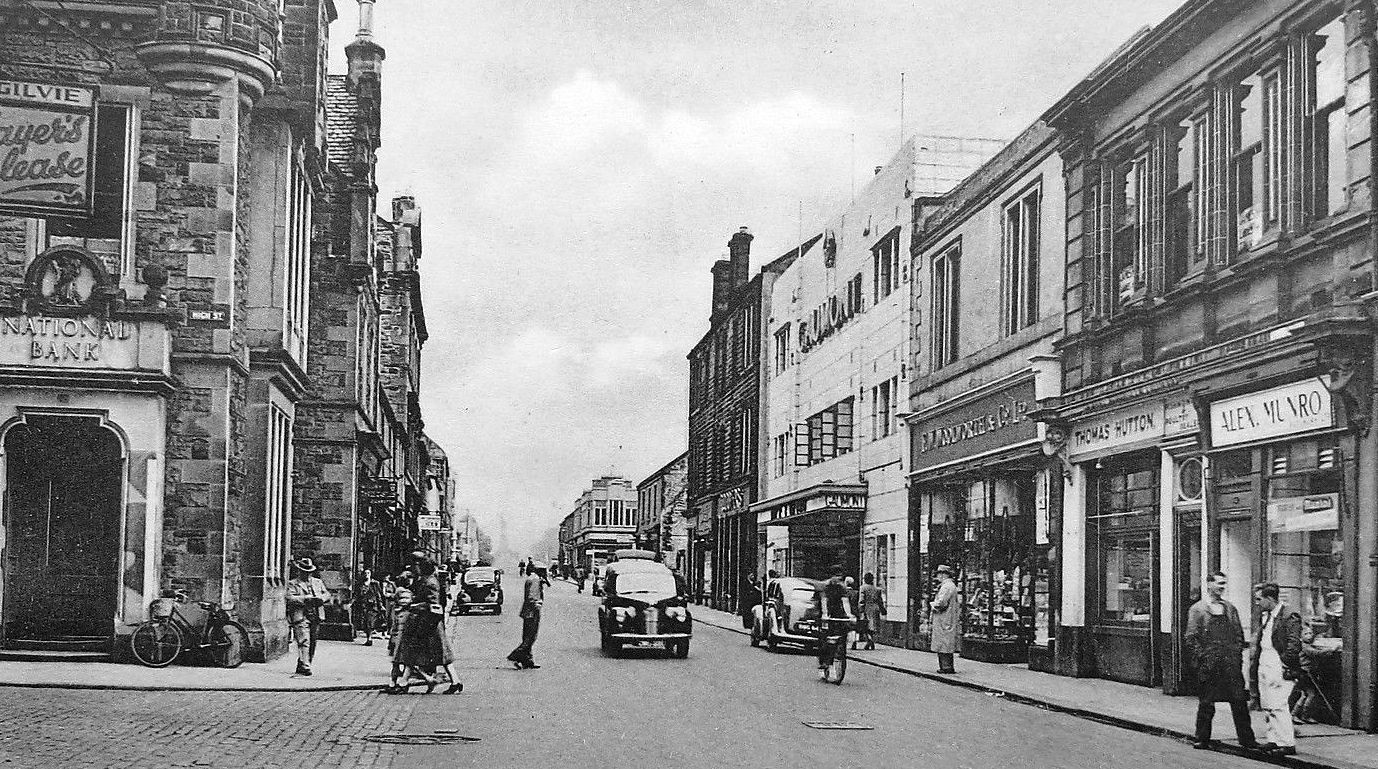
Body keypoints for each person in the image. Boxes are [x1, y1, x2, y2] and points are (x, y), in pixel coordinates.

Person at [1185, 572, 1259, 751]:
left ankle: (1247, 740)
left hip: (1230, 663)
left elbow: (1238, 634)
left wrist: (1236, 655)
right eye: (1219, 583)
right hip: (1210, 664)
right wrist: (1203, 657)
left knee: (1239, 702)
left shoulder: (1230, 608)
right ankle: (1202, 738)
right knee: (1206, 703)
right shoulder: (1198, 609)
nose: (1222, 587)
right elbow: (1191, 637)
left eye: (1224, 584)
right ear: (1209, 584)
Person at [387, 559, 463, 695]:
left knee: (426, 654)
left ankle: (404, 682)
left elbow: (433, 604)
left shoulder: (430, 582)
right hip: (424, 623)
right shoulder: (425, 580)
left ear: (423, 568)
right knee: (427, 654)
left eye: (417, 567)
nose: (415, 569)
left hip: (428, 624)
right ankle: (455, 682)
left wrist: (413, 605)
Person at [1250, 582, 1301, 756]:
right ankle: (1273, 739)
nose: (1257, 603)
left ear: (1270, 598)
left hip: (1278, 663)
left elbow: (1294, 644)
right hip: (1265, 661)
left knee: (1278, 704)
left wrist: (1283, 662)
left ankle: (1287, 743)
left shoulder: (1288, 615)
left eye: (1259, 599)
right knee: (1267, 704)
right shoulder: (1266, 616)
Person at [286, 557, 330, 676]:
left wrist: (322, 598)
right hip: (301, 614)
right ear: (300, 571)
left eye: (309, 572)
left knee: (313, 641)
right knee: (304, 640)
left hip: (316, 615)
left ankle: (303, 663)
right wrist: (304, 598)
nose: (307, 574)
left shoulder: (318, 582)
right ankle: (306, 665)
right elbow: (289, 597)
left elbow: (327, 594)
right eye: (305, 572)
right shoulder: (293, 583)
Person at [815, 563, 853, 681]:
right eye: (836, 576)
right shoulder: (826, 586)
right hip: (826, 614)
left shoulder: (842, 587)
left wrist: (849, 614)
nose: (838, 578)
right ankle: (823, 664)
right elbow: (824, 601)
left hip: (837, 614)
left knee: (841, 635)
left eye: (840, 576)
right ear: (832, 576)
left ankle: (839, 655)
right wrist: (825, 614)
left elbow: (845, 601)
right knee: (824, 639)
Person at [507, 561, 546, 669]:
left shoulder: (532, 578)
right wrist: (537, 606)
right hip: (532, 612)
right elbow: (532, 597)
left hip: (527, 611)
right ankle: (515, 655)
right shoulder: (535, 579)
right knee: (530, 637)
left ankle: (527, 660)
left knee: (528, 636)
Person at [929, 564, 959, 674]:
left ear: (943, 575)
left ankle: (946, 667)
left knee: (944, 643)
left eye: (939, 574)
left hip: (944, 619)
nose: (938, 577)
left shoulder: (946, 587)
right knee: (945, 643)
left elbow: (941, 603)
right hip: (946, 618)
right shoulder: (950, 585)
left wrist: (932, 604)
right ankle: (946, 666)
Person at [354, 568, 385, 646]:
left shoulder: (375, 584)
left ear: (371, 574)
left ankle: (369, 639)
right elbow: (357, 595)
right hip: (363, 605)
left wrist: (381, 605)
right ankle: (368, 638)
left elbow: (378, 595)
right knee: (365, 622)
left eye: (368, 573)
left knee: (369, 621)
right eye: (365, 573)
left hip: (373, 606)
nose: (366, 575)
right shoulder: (360, 584)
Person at [858, 572, 885, 651]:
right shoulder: (877, 589)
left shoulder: (863, 588)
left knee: (865, 626)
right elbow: (880, 601)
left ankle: (869, 640)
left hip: (867, 608)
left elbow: (862, 600)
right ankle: (871, 639)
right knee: (873, 626)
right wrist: (882, 609)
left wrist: (861, 609)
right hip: (875, 608)